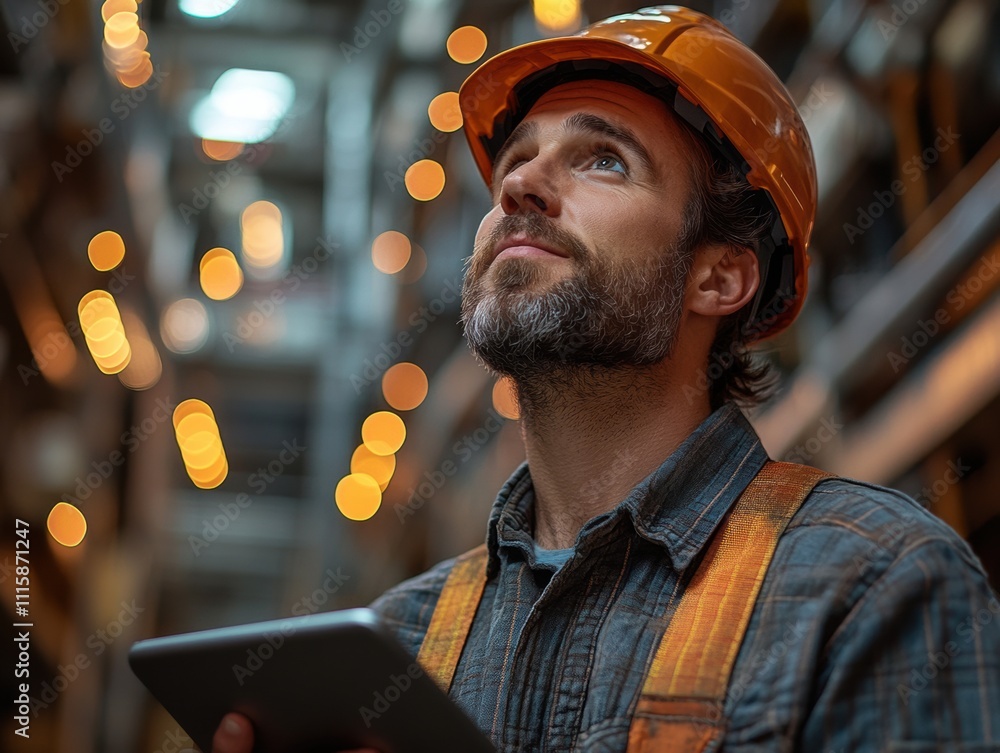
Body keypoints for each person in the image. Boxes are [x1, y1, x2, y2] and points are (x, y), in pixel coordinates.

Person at [210, 6, 1000, 752]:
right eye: (516, 160)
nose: (520, 185)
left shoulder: (868, 585)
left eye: (603, 160)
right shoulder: (400, 647)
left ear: (720, 278)